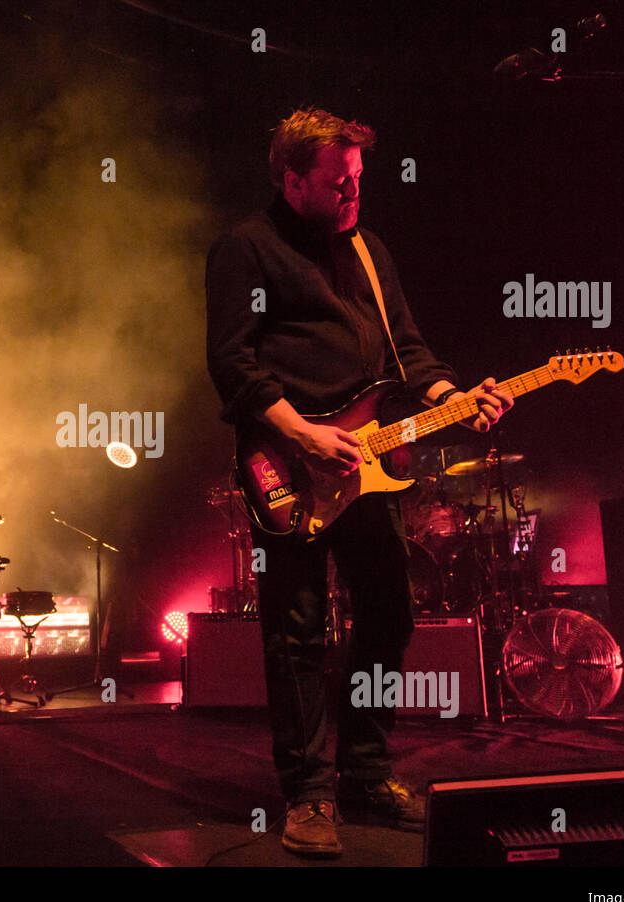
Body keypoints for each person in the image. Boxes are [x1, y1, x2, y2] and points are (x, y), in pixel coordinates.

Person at [205, 108, 512, 857]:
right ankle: (307, 794)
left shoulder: (369, 251)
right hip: (287, 461)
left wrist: (450, 398)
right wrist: (304, 432)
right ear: (292, 178)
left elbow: (407, 350)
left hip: (372, 466)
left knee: (390, 613)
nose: (352, 193)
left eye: (359, 179)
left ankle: (365, 772)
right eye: (337, 182)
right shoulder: (246, 247)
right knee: (298, 628)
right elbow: (232, 362)